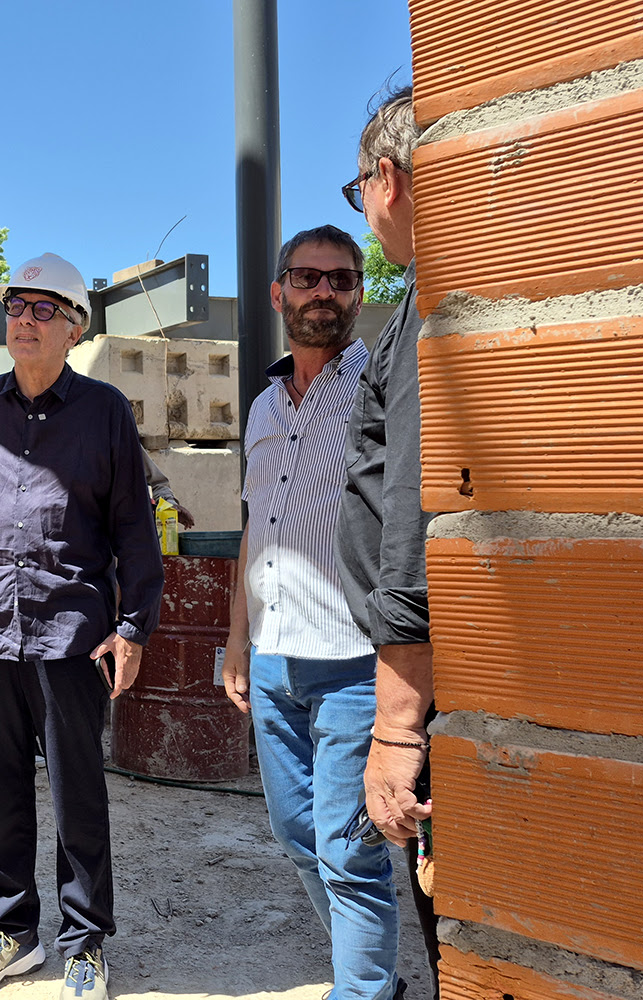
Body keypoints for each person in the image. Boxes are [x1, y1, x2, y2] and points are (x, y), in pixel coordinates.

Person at [0, 252, 164, 1000]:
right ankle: (13, 933)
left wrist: (135, 625)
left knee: (79, 790)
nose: (25, 318)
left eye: (45, 308)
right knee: (0, 789)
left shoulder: (105, 412)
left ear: (75, 327)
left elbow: (133, 529)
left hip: (70, 635)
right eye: (17, 305)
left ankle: (84, 942)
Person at [223, 225, 403, 1000]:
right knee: (299, 838)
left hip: (355, 662)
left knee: (349, 851)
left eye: (339, 279)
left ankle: (361, 993)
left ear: (360, 293)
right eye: (306, 278)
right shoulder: (264, 405)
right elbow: (254, 529)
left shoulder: (384, 386)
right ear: (279, 293)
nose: (322, 292)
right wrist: (236, 640)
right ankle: (371, 979)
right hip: (272, 661)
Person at [336, 85, 442, 993]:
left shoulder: (431, 313)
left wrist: (397, 729)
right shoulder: (419, 308)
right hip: (448, 674)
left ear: (385, 179)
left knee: (453, 904)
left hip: (436, 689)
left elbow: (407, 519)